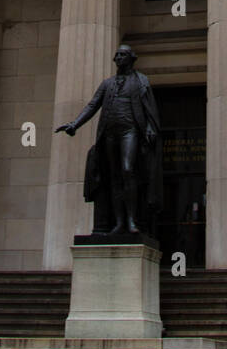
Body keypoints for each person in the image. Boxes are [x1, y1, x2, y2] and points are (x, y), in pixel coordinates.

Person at [56, 45, 162, 237]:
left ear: (131, 58)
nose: (118, 59)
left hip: (130, 131)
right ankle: (119, 222)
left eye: (122, 55)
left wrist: (149, 127)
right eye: (117, 56)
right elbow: (92, 105)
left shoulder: (140, 82)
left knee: (128, 170)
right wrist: (75, 124)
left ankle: (131, 220)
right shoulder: (108, 84)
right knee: (114, 177)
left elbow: (149, 108)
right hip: (110, 133)